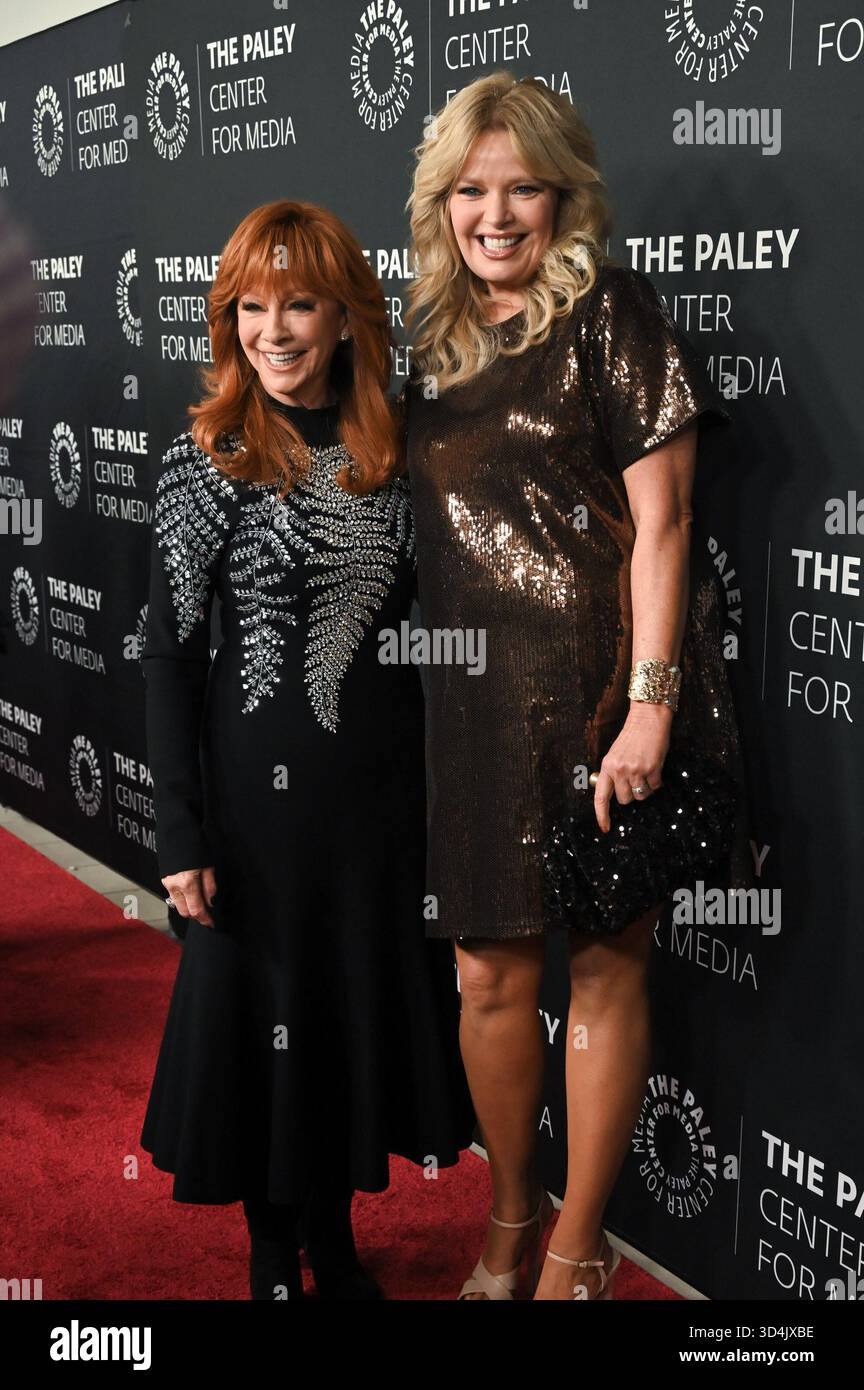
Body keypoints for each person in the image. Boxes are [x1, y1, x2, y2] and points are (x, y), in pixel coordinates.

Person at [402, 73, 754, 1300]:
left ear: (565, 195)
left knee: (604, 967)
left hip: (602, 695)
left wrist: (651, 703)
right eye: (471, 189)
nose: (495, 214)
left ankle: (573, 1250)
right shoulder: (431, 344)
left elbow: (665, 525)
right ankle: (509, 1213)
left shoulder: (615, 312)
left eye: (523, 188)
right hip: (474, 703)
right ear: (442, 200)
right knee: (489, 976)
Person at [139, 199, 475, 1301]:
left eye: (300, 305)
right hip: (252, 812)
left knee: (340, 1021)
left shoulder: (402, 448)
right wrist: (181, 831)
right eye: (251, 307)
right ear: (227, 318)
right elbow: (170, 662)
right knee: (262, 1023)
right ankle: (274, 1251)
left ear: (344, 316)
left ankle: (331, 1237)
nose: (274, 330)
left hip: (376, 810)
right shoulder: (207, 462)